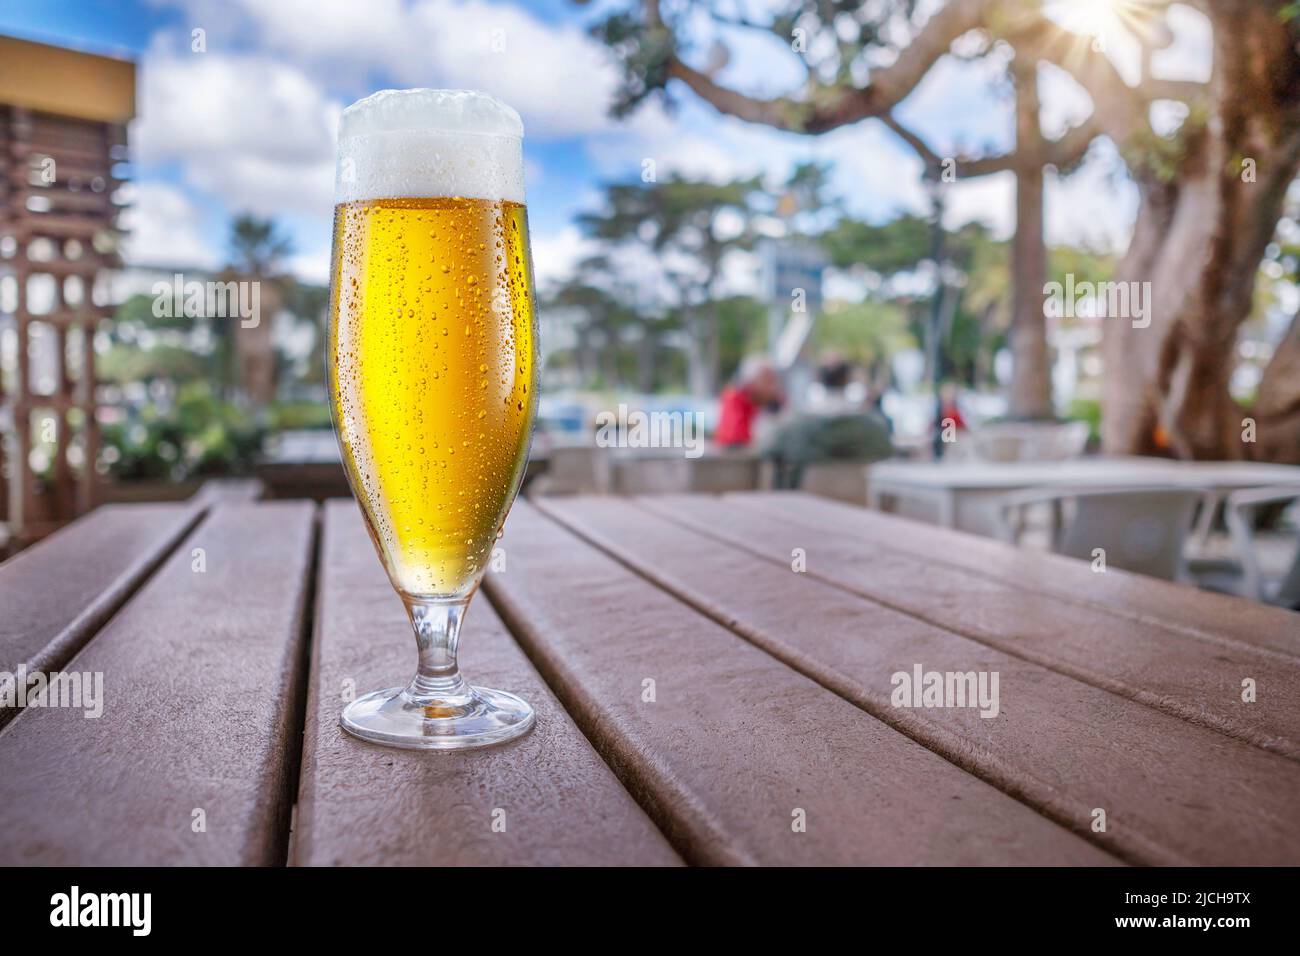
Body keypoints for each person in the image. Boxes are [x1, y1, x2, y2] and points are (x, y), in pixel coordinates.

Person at [767, 356, 893, 489]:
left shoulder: (795, 424)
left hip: (802, 496)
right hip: (855, 495)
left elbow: (769, 450)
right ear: (847, 379)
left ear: (818, 378)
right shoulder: (871, 427)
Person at [714, 357, 784, 448]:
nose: (774, 388)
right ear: (751, 382)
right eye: (768, 381)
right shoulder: (735, 399)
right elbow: (734, 439)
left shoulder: (773, 404)